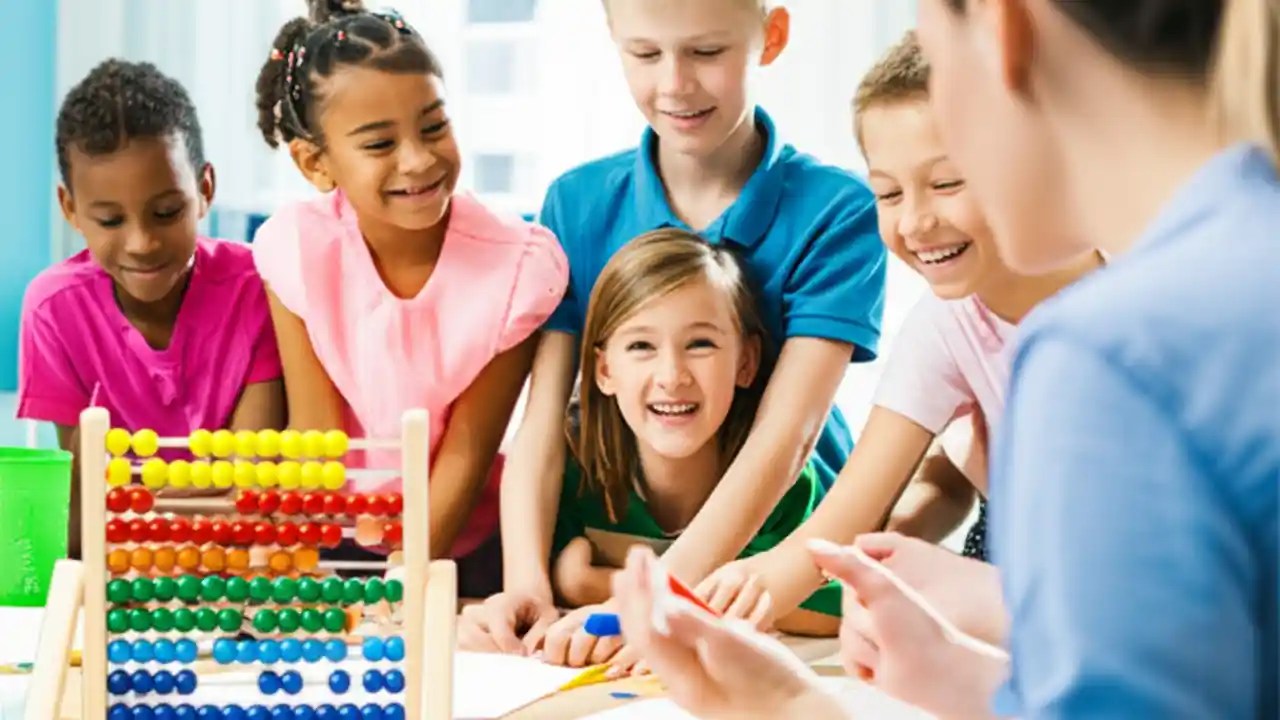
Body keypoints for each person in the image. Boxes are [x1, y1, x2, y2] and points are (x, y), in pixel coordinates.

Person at [613, 0, 1280, 717]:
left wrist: (790, 709)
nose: (917, 217)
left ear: (1005, 32)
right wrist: (961, 672)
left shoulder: (1111, 351)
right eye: (888, 191)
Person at [469, 0, 887, 657]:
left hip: (786, 538)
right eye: (645, 54)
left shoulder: (837, 209)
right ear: (614, 41)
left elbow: (788, 438)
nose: (674, 84)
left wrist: (666, 594)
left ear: (770, 37)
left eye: (707, 53)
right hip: (641, 530)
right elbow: (543, 420)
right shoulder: (576, 203)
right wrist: (526, 582)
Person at [695, 30, 1102, 639]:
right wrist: (739, 592)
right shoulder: (944, 327)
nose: (915, 221)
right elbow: (843, 514)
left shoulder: (1133, 287)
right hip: (1036, 577)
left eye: (947, 184)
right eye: (887, 193)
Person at [251, 0, 567, 596]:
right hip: (338, 539)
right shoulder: (296, 250)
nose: (418, 160)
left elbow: (468, 455)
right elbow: (314, 435)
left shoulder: (516, 269)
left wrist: (401, 582)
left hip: (464, 549)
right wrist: (283, 562)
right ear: (316, 163)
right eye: (379, 144)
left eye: (434, 126)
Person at [460, 230, 842, 661]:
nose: (672, 376)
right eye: (641, 346)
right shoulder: (576, 472)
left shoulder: (781, 483)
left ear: (746, 362)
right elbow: (543, 588)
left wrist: (593, 585)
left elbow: (828, 610)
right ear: (604, 370)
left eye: (700, 344)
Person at [17, 59, 284, 558]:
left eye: (166, 213)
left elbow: (255, 495)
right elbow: (80, 515)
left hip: (240, 577)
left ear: (205, 189)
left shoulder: (257, 286)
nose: (141, 243)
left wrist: (139, 509)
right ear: (71, 208)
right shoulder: (53, 313)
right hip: (122, 583)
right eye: (110, 220)